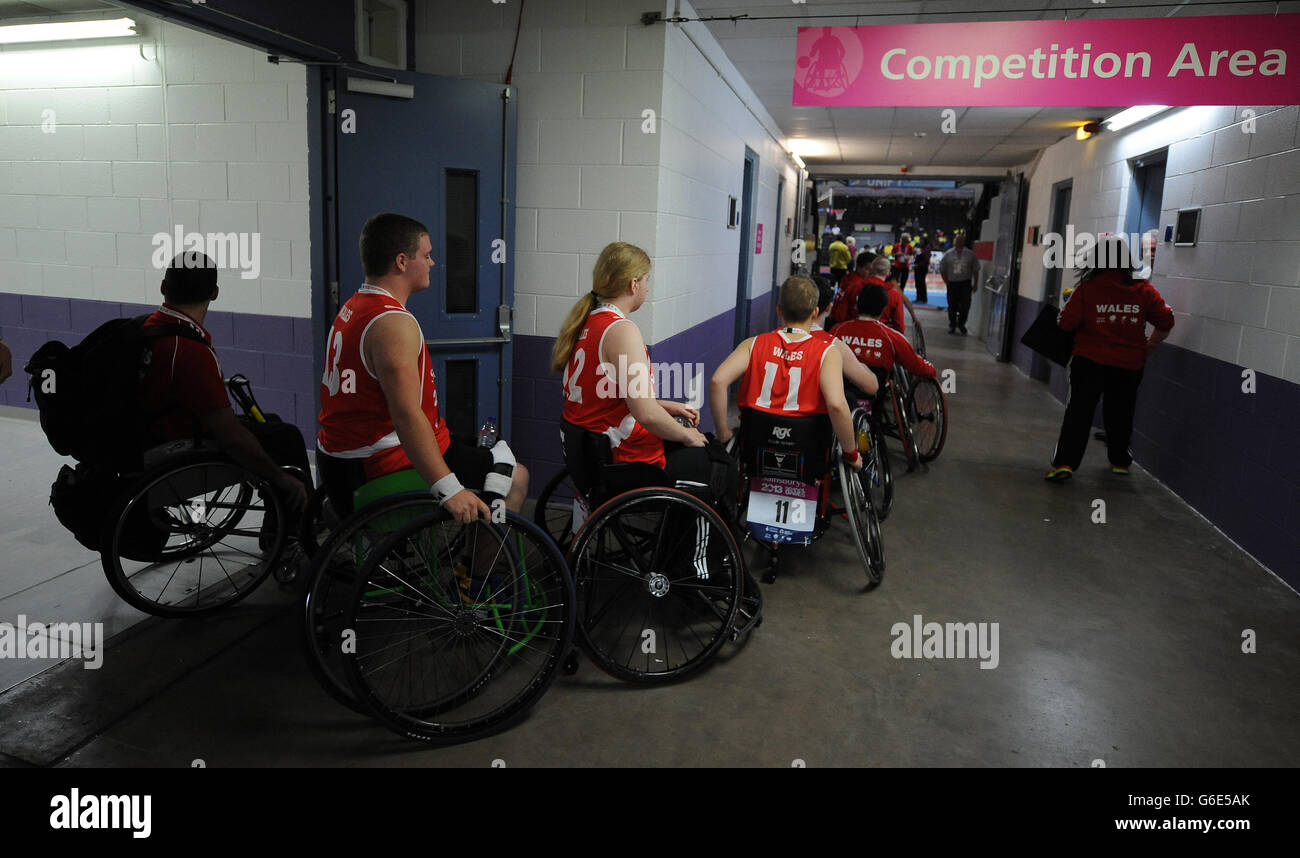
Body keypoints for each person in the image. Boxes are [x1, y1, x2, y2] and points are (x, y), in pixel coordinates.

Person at [316, 213, 529, 522]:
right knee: (515, 475)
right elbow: (406, 415)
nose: (432, 263)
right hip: (380, 464)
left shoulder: (354, 306)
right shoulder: (392, 324)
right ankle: (486, 570)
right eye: (426, 255)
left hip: (346, 459)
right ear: (402, 261)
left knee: (482, 446)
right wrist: (447, 488)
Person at [140, 251, 309, 518]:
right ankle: (296, 529)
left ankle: (279, 523)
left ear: (163, 287)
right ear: (215, 293)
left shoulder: (148, 327)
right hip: (175, 445)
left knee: (270, 423)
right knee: (286, 438)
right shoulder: (190, 351)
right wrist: (278, 477)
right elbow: (230, 436)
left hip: (152, 430)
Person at [552, 241, 718, 486]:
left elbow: (604, 398)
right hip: (622, 457)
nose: (647, 288)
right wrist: (687, 436)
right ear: (633, 284)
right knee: (715, 463)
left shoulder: (585, 322)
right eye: (646, 280)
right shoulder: (621, 330)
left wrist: (664, 406)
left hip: (590, 450)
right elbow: (646, 415)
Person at [1046, 236, 1175, 481]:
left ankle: (1065, 464)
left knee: (1079, 412)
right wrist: (1151, 345)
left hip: (1089, 361)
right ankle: (1119, 462)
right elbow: (1166, 321)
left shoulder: (1087, 288)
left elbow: (1066, 324)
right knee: (1121, 412)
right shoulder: (1144, 289)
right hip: (1129, 364)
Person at [710, 276, 862, 472]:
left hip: (756, 442)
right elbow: (836, 405)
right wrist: (851, 454)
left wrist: (723, 433)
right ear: (815, 313)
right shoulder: (827, 352)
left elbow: (717, 382)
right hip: (808, 448)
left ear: (779, 310)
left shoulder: (753, 344)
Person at [831, 283, 937, 391]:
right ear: (883, 309)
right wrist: (931, 369)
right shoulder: (892, 337)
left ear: (857, 304)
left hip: (839, 391)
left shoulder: (837, 330)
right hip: (876, 395)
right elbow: (917, 365)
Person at [809, 275, 880, 398]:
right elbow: (871, 387)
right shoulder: (833, 345)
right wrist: (862, 366)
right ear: (829, 307)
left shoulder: (765, 340)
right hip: (815, 413)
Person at [939, 233, 979, 335]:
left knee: (965, 305)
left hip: (965, 284)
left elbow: (975, 270)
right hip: (952, 283)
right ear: (955, 241)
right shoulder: (948, 254)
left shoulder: (971, 254)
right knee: (951, 305)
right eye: (957, 240)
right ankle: (952, 324)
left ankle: (961, 324)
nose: (959, 242)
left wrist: (976, 283)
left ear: (964, 241)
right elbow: (942, 268)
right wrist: (946, 281)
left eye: (961, 240)